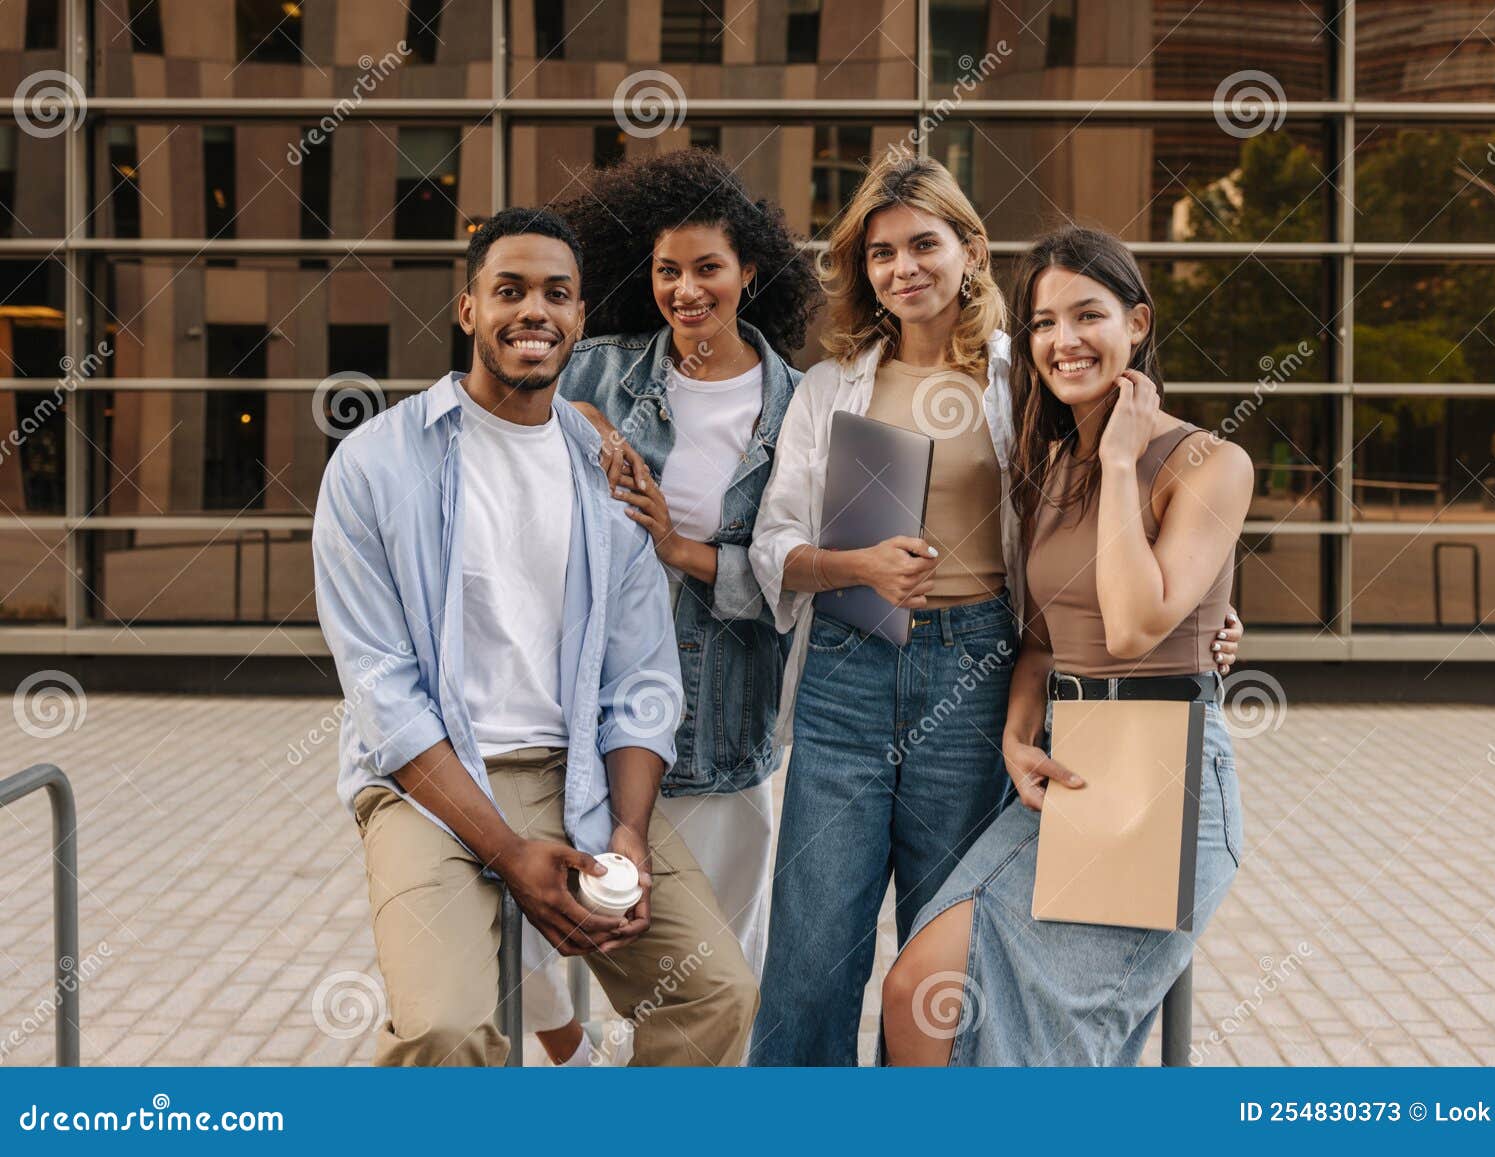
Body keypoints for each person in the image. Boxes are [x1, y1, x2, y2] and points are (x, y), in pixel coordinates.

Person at [746, 153, 1242, 1065]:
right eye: (882, 252)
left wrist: (1205, 614)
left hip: (975, 666)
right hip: (850, 670)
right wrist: (853, 561)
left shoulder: (1027, 380)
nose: (904, 268)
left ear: (969, 249)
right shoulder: (830, 387)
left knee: (948, 954)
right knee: (814, 951)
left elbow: (1113, 515)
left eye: (924, 244)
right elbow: (771, 547)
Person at [312, 206, 757, 1067]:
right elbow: (384, 700)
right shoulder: (374, 464)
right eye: (508, 290)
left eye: (557, 293)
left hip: (576, 775)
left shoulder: (607, 472)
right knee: (446, 1031)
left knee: (715, 996)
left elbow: (642, 680)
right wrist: (509, 852)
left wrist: (628, 830)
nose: (534, 312)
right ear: (468, 308)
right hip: (427, 789)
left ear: (580, 317)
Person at [880, 223, 1251, 1066]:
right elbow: (1043, 637)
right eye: (1043, 322)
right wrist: (1017, 734)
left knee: (1046, 1042)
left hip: (1167, 774)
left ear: (1139, 324)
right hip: (1070, 764)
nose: (1062, 341)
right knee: (916, 990)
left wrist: (1120, 461)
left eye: (1088, 315)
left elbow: (1133, 626)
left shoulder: (1210, 462)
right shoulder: (1047, 466)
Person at [499, 150, 820, 1066]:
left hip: (723, 739)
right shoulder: (590, 376)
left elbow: (795, 577)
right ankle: (574, 1062)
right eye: (667, 269)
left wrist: (682, 549)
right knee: (565, 954)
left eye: (708, 268)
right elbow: (491, 454)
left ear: (750, 272)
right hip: (590, 726)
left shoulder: (799, 409)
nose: (687, 290)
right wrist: (581, 426)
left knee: (714, 983)